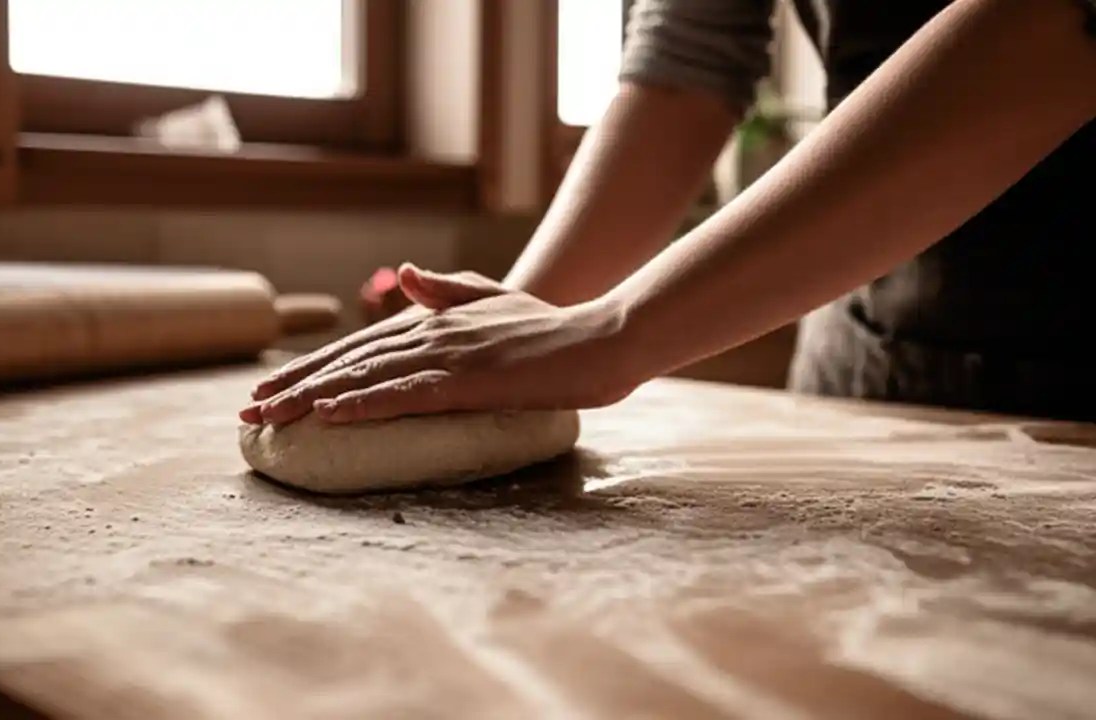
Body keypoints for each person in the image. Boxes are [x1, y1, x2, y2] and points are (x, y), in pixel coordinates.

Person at [242, 0, 1096, 427]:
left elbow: (1055, 25)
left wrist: (616, 329)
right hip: (874, 362)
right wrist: (516, 324)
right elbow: (689, 58)